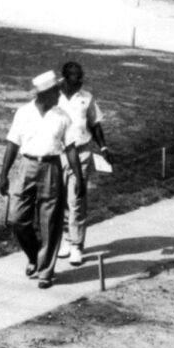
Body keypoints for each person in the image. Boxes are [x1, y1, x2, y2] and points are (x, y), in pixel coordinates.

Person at [0, 71, 84, 287]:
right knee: (17, 219)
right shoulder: (23, 113)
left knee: (50, 222)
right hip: (26, 166)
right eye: (56, 90)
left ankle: (45, 271)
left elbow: (71, 148)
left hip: (52, 167)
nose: (59, 94)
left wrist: (79, 178)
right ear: (44, 93)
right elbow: (12, 144)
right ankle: (35, 255)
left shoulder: (62, 116)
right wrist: (4, 174)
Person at [57, 61, 108, 267]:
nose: (80, 82)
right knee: (59, 199)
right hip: (58, 154)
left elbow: (95, 124)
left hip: (81, 152)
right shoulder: (55, 98)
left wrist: (103, 148)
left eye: (81, 78)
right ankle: (66, 239)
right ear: (65, 78)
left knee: (76, 199)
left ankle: (77, 245)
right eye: (76, 78)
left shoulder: (87, 98)